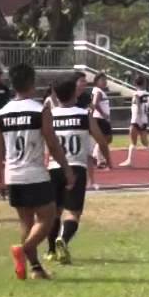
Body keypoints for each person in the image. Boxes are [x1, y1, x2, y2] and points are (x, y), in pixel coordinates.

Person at [0, 63, 73, 281]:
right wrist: (67, 169)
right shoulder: (39, 110)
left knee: (26, 222)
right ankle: (25, 248)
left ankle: (35, 269)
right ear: (32, 82)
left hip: (13, 175)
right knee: (47, 217)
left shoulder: (1, 113)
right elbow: (53, 143)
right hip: (35, 173)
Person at [45, 75, 112, 265]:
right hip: (76, 167)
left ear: (56, 95)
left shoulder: (50, 114)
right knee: (73, 213)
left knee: (54, 212)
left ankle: (50, 251)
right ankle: (63, 240)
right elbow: (101, 140)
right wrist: (108, 159)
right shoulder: (83, 115)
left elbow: (47, 143)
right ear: (75, 92)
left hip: (54, 167)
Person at [118, 75, 149, 168]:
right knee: (145, 142)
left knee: (133, 141)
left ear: (135, 84)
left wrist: (139, 120)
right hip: (144, 119)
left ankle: (130, 161)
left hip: (137, 119)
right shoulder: (145, 94)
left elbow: (139, 107)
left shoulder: (137, 94)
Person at [89, 72, 113, 170]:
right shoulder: (98, 91)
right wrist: (102, 113)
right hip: (100, 118)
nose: (105, 82)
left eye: (105, 80)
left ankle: (96, 156)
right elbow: (95, 103)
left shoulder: (99, 91)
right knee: (104, 140)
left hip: (102, 118)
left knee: (107, 140)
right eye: (102, 80)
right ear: (96, 81)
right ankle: (98, 159)